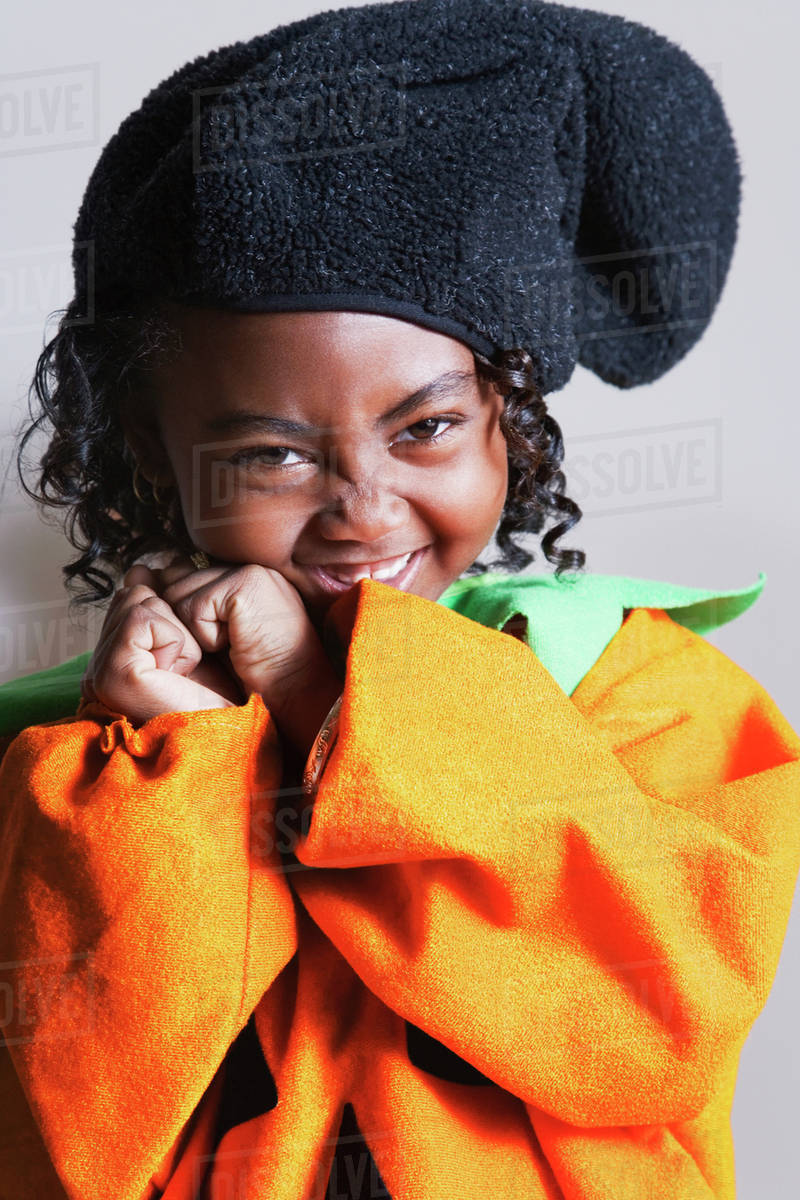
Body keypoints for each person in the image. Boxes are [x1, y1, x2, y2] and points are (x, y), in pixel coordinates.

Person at [1, 1, 798, 1197]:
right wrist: (175, 765)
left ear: (509, 422)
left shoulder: (650, 697)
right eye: (272, 455)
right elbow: (73, 1149)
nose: (363, 511)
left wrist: (314, 685)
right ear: (151, 453)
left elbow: (645, 1035)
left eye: (424, 428)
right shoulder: (72, 753)